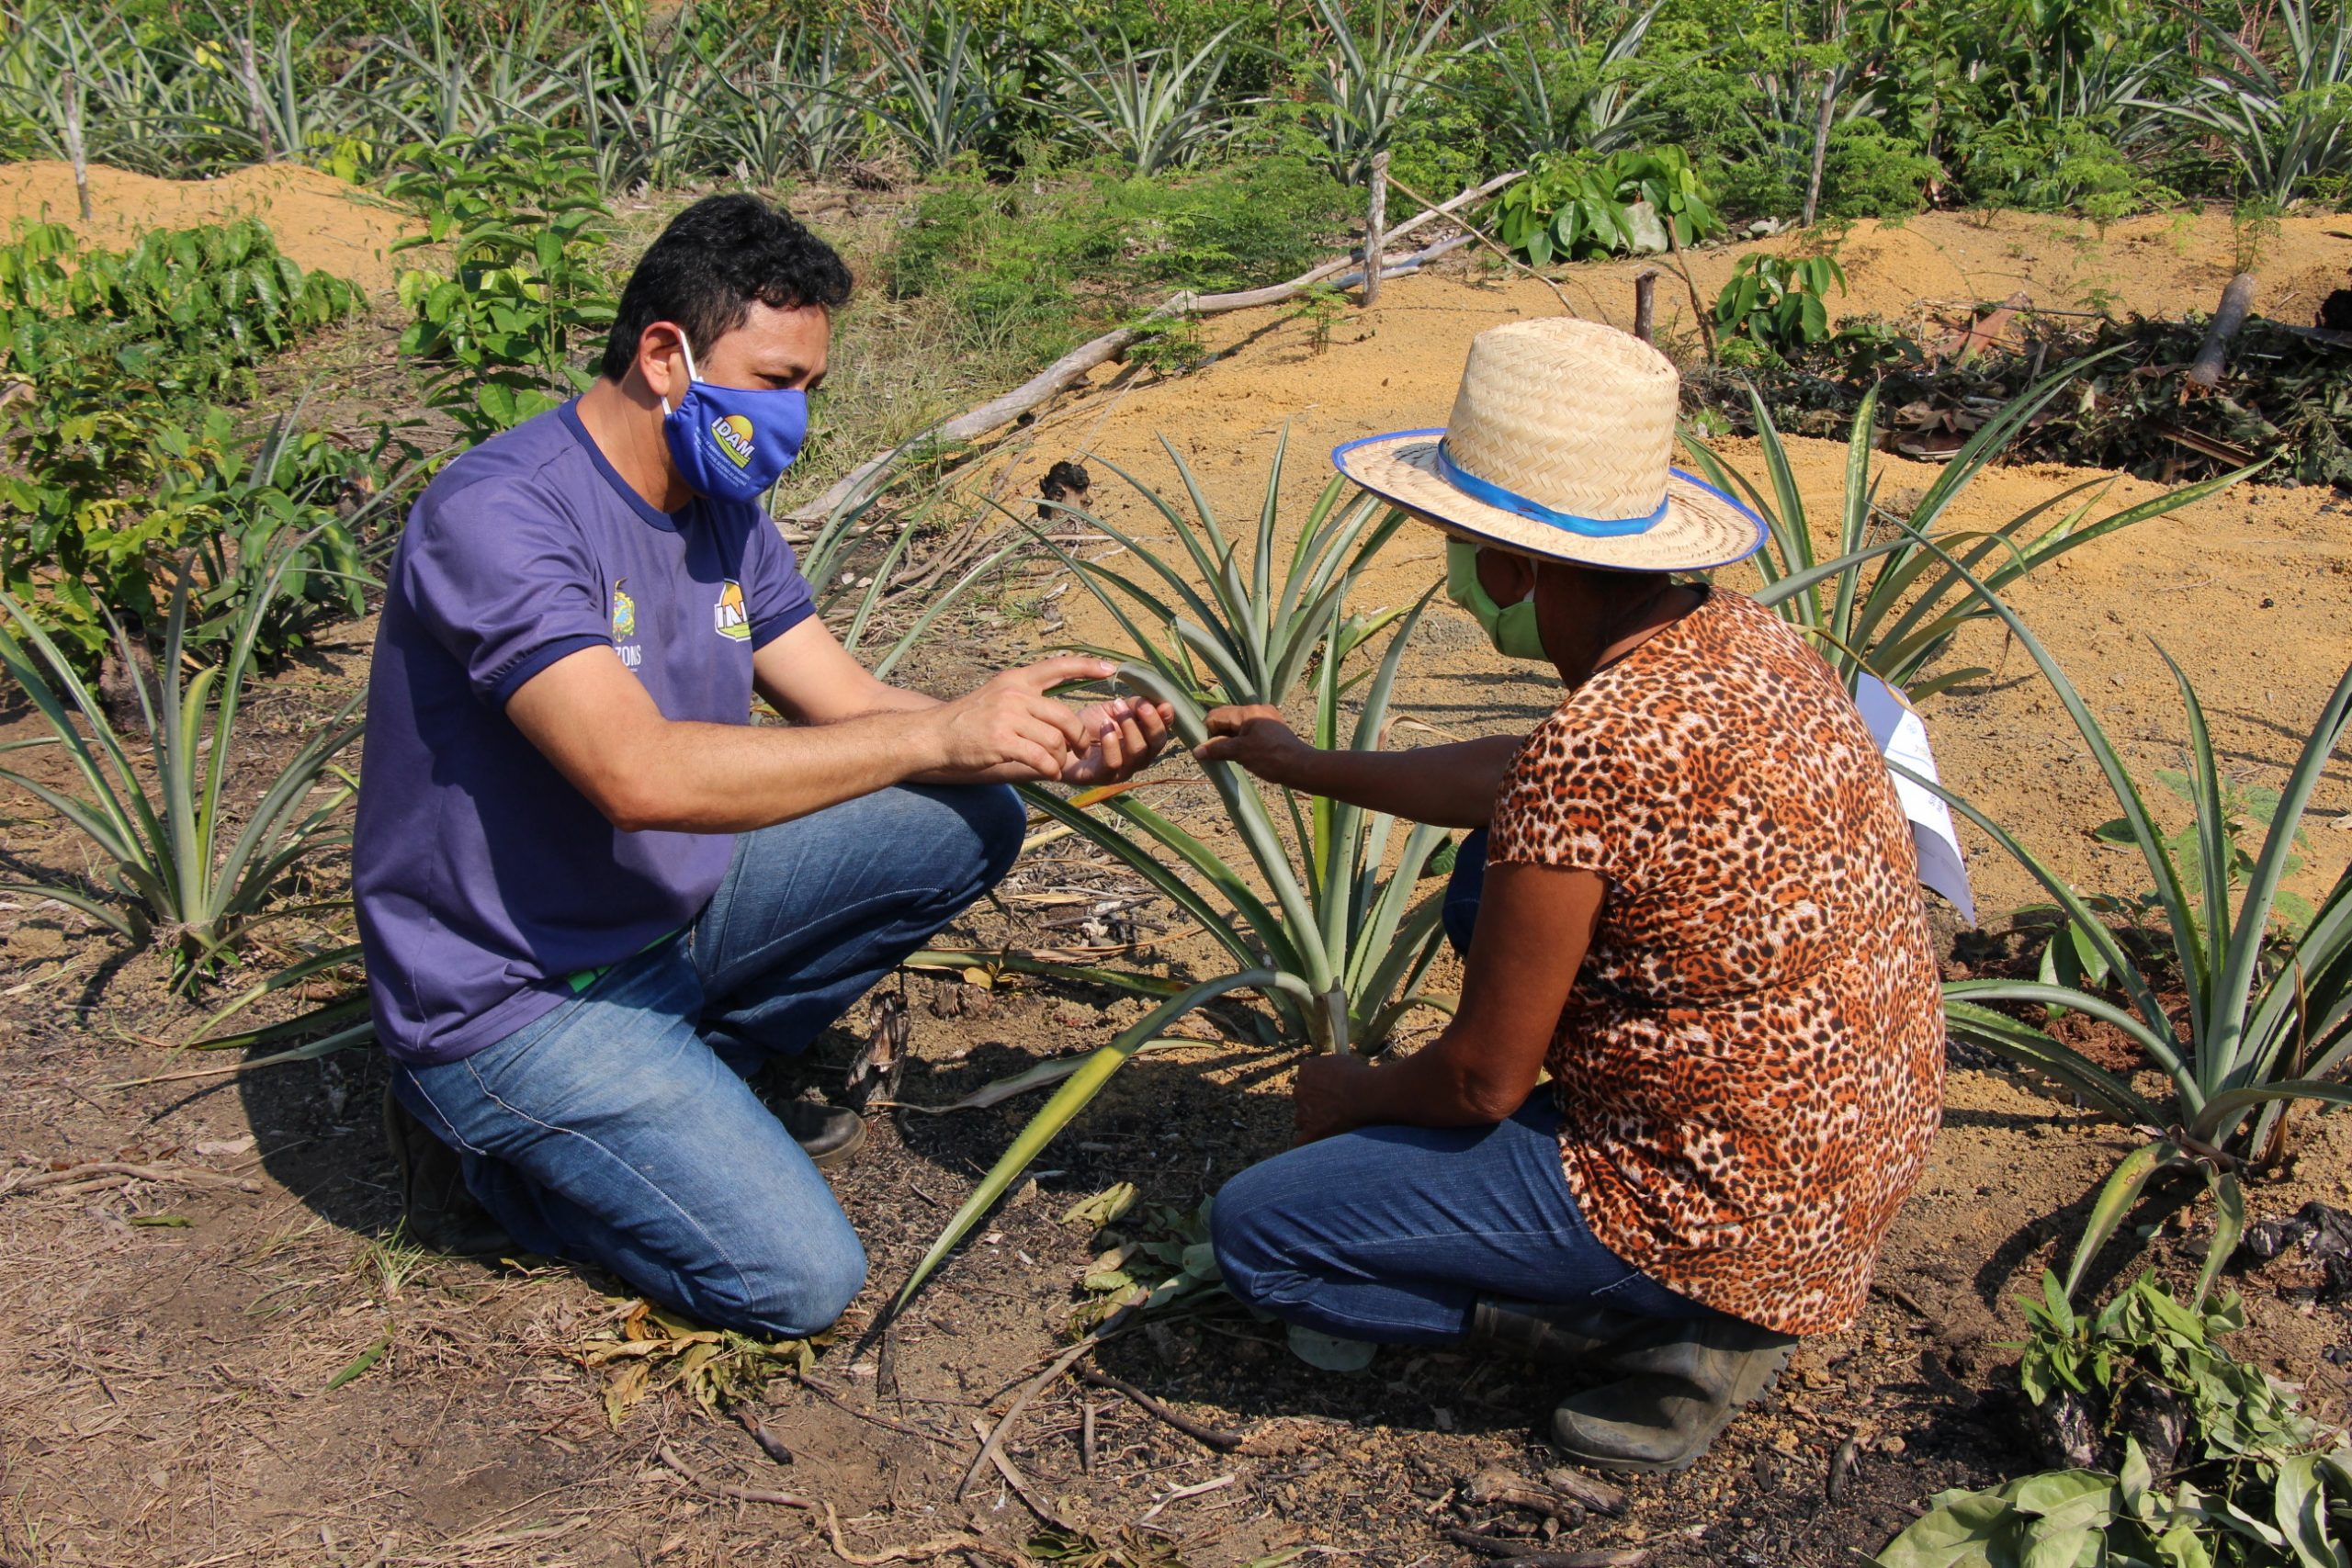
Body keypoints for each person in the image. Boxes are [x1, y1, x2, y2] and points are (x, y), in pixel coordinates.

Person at [352, 195, 1171, 1337]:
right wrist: (935, 735)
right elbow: (638, 776)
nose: (793, 417)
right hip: (517, 994)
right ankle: (492, 1166)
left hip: (660, 910)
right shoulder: (502, 514)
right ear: (663, 356)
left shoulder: (721, 508)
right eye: (776, 380)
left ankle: (706, 1062)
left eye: (809, 388)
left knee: (968, 816)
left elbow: (852, 706)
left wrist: (1035, 739)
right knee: (795, 1281)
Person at [1202, 318, 1946, 1473]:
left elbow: (1478, 1083)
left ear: (1512, 567)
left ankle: (1663, 1335)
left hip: (1717, 1199)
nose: (1456, 571)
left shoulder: (1597, 748)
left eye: (1459, 545)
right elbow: (1519, 776)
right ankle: (1684, 1284)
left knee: (1263, 1234)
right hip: (1852, 1140)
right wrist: (1302, 763)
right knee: (1484, 872)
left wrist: (1354, 1094)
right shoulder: (1748, 639)